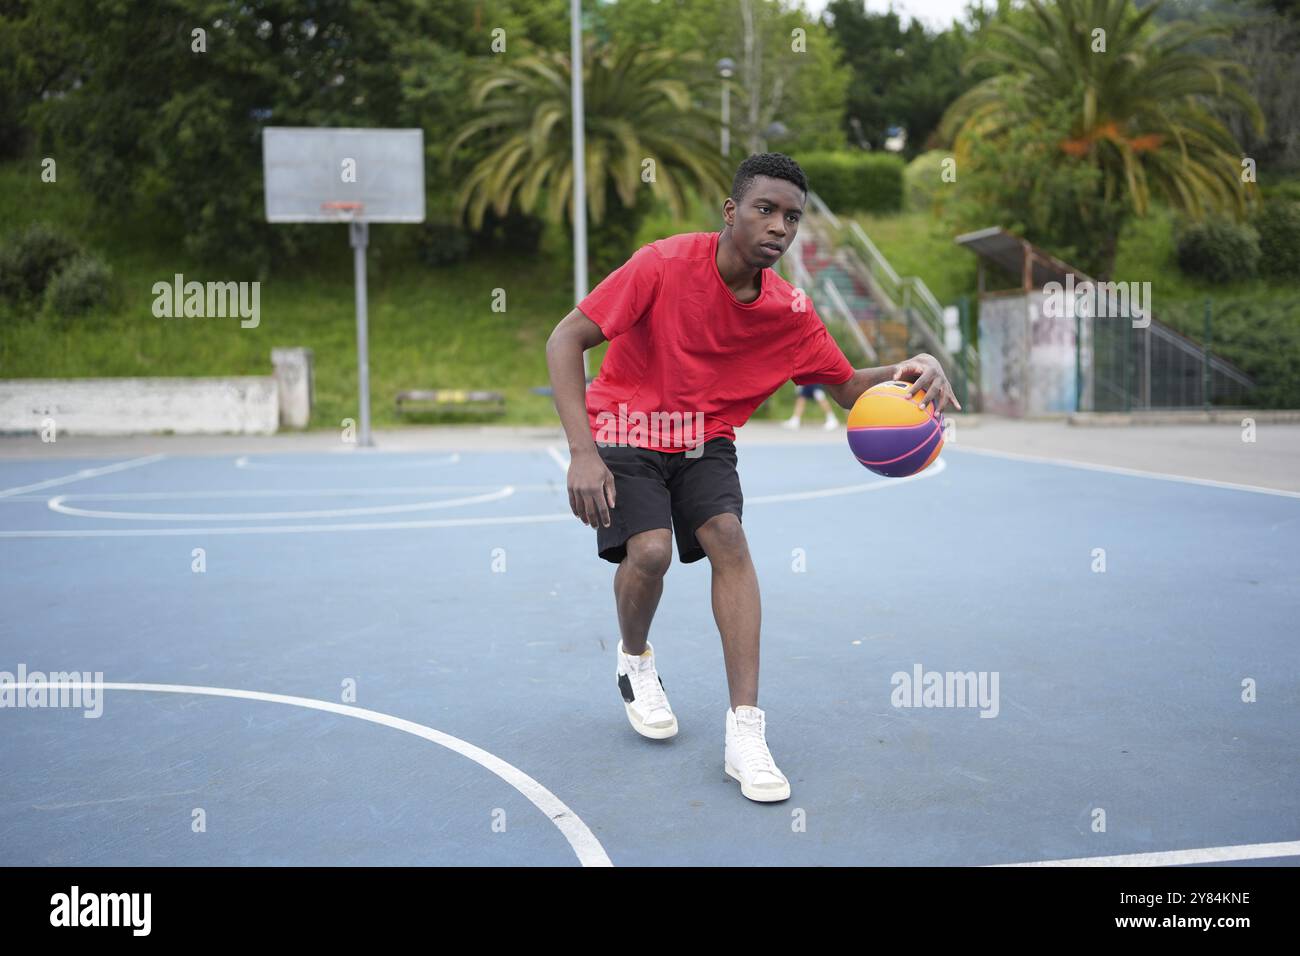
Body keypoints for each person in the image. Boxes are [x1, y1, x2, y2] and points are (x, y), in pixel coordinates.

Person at [545, 152, 958, 803]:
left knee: (729, 540)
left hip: (704, 439)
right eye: (766, 210)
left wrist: (912, 366)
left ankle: (745, 732)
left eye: (791, 217)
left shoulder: (789, 311)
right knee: (649, 552)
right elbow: (565, 339)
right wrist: (581, 452)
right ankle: (635, 660)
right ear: (731, 211)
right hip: (625, 423)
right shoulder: (662, 264)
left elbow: (848, 388)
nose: (780, 227)